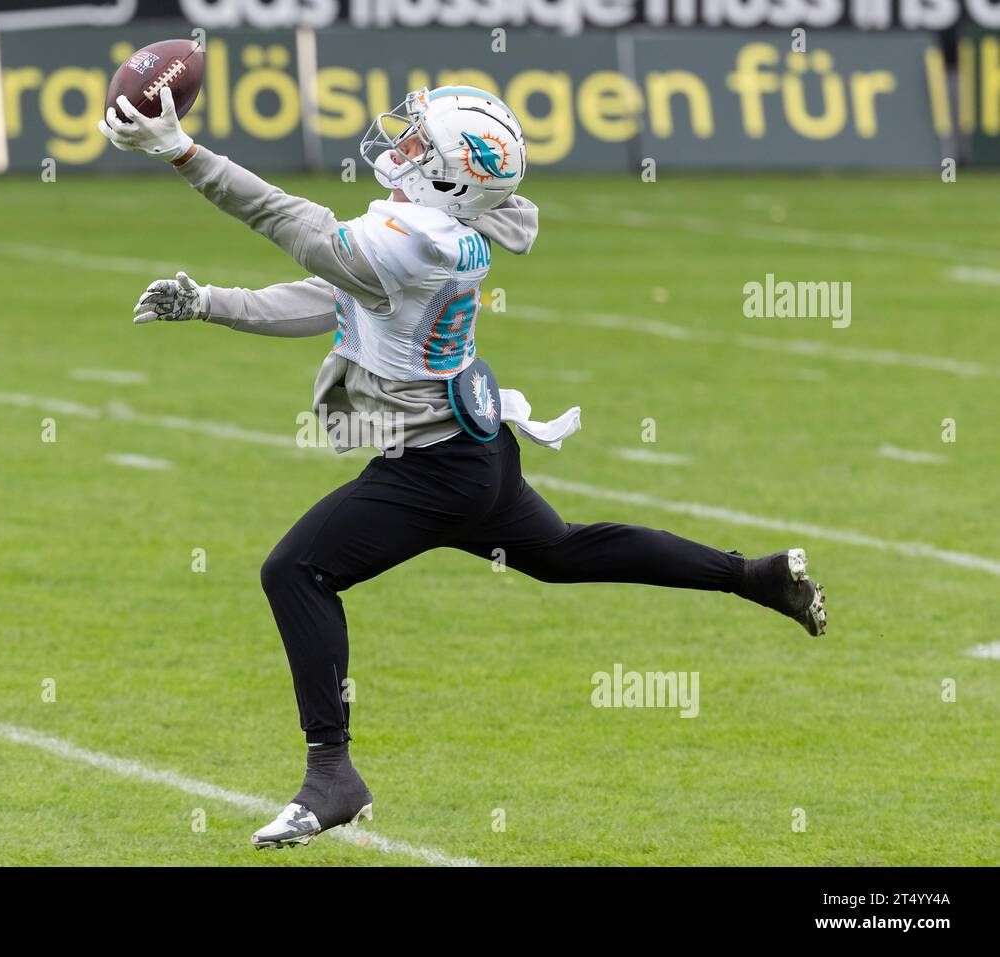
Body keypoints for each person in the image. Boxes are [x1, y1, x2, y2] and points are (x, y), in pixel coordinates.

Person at [98, 84, 827, 850]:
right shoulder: (446, 227)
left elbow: (293, 225)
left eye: (422, 146)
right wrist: (212, 302)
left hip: (434, 467)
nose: (402, 148)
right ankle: (756, 576)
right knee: (565, 551)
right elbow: (333, 297)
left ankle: (332, 773)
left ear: (451, 179)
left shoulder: (420, 240)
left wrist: (183, 152)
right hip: (474, 449)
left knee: (297, 572)